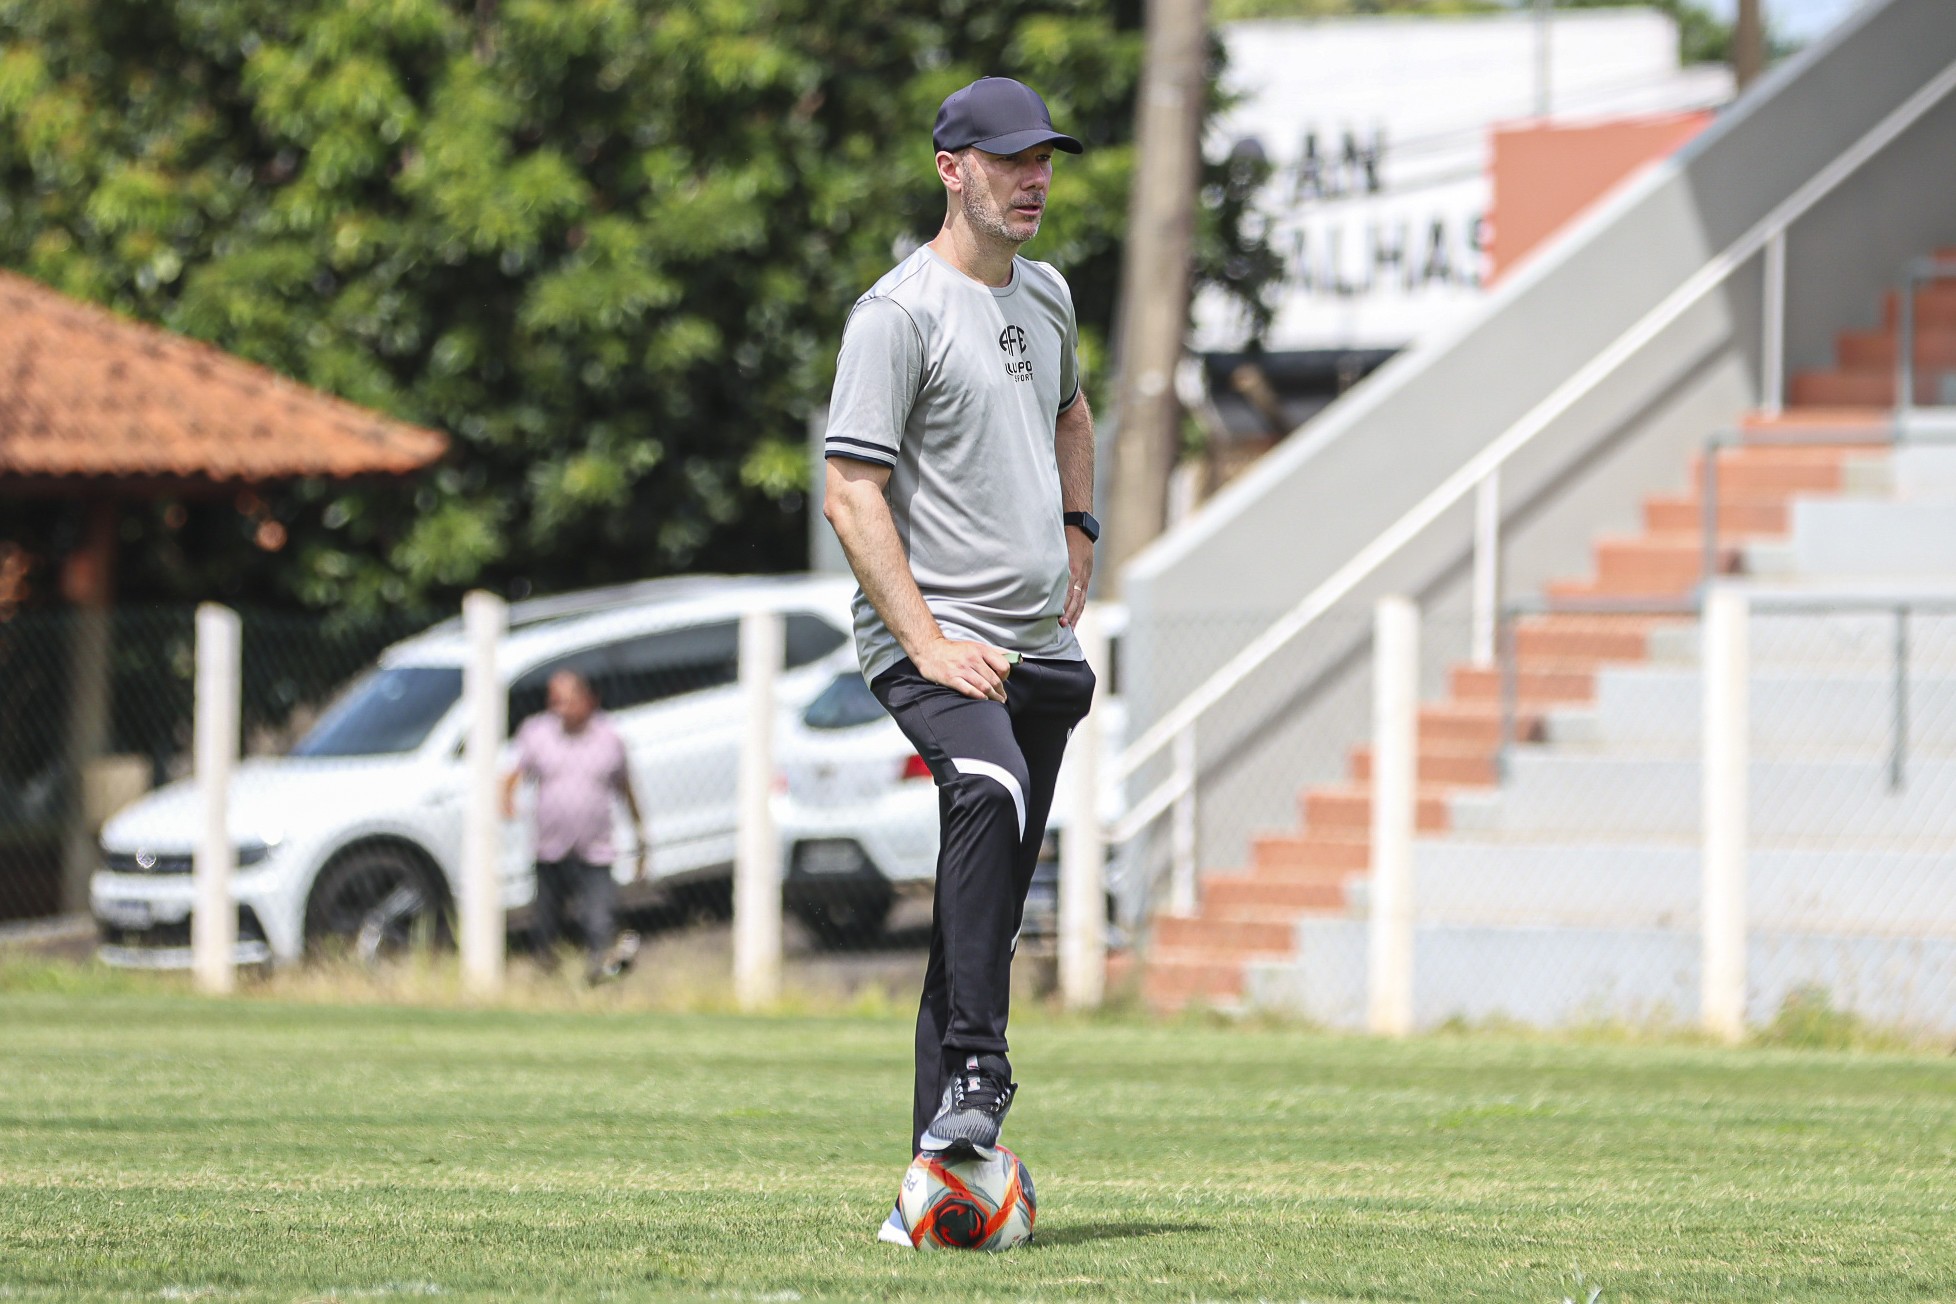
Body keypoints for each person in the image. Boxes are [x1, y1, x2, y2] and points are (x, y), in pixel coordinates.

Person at [819, 76, 1100, 1245]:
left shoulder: (1048, 294)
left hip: (1035, 652)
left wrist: (1080, 532)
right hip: (931, 647)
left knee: (975, 921)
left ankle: (933, 1182)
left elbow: (1074, 414)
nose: (1033, 177)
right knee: (985, 787)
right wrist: (929, 640)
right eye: (1009, 159)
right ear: (952, 168)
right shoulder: (897, 313)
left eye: (1044, 159)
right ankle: (979, 1071)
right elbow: (849, 487)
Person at [501, 669, 647, 984]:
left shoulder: (609, 739)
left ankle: (601, 982)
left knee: (598, 921)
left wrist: (640, 836)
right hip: (550, 848)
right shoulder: (537, 733)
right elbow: (511, 777)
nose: (560, 708)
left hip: (596, 849)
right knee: (545, 925)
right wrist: (508, 804)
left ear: (589, 700)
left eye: (568, 701)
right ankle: (545, 983)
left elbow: (626, 789)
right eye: (555, 701)